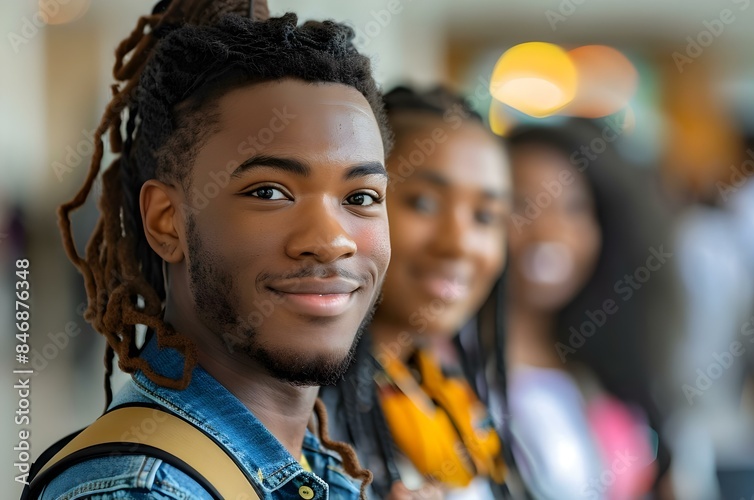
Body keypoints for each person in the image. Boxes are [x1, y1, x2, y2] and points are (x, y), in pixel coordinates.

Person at [28, 0, 392, 498]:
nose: (332, 241)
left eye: (361, 197)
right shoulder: (145, 492)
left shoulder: (314, 468)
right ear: (167, 221)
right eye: (268, 192)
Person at [322, 86, 517, 499]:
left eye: (485, 216)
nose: (459, 243)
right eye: (425, 204)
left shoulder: (445, 393)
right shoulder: (310, 413)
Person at [503, 122, 663, 500]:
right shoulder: (444, 371)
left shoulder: (605, 363)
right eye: (521, 204)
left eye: (574, 208)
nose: (549, 231)